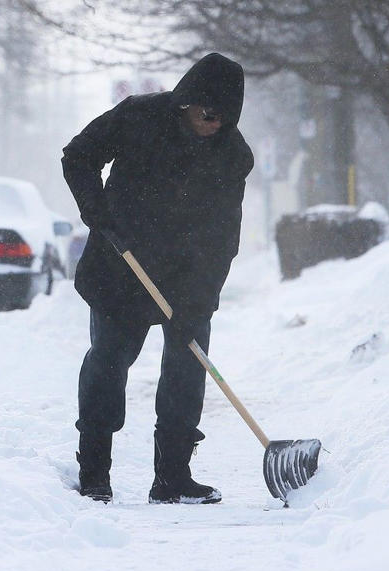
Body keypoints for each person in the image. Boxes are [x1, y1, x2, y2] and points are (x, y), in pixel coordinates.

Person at [61, 53, 254, 504]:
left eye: (224, 120)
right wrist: (96, 209)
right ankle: (94, 473)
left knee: (187, 371)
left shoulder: (233, 156)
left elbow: (224, 237)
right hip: (120, 262)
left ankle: (172, 477)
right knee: (108, 365)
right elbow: (79, 156)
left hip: (187, 276)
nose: (214, 125)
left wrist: (198, 302)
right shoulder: (139, 116)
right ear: (187, 102)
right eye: (208, 114)